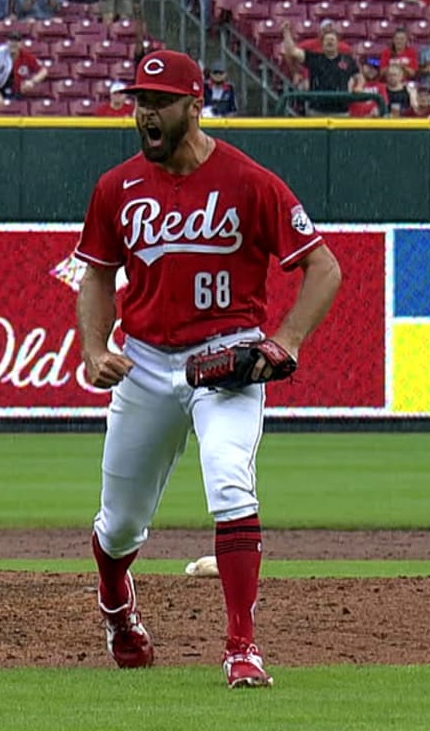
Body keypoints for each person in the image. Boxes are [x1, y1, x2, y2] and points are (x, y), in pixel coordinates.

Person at [73, 48, 341, 689]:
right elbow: (97, 276)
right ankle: (117, 610)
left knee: (230, 484)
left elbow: (324, 267)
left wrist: (286, 341)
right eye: (138, 101)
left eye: (159, 101)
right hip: (142, 363)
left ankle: (241, 647)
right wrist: (92, 348)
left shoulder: (249, 181)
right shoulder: (118, 187)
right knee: (120, 523)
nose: (145, 113)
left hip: (226, 362)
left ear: (194, 105)